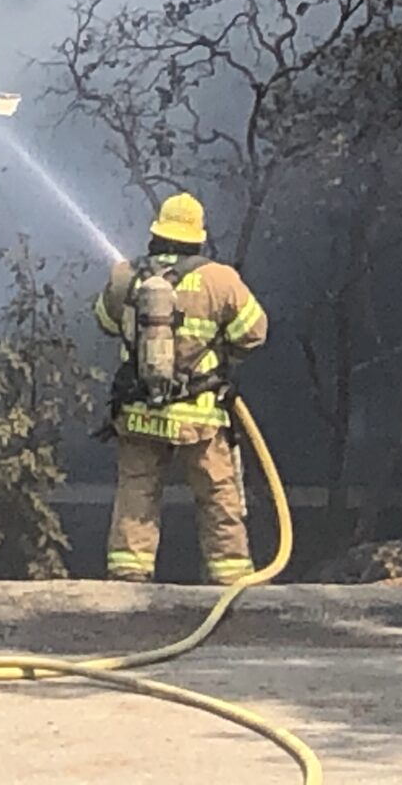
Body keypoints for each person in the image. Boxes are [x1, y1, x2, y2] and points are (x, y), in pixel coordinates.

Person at [92, 192, 268, 585]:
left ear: (157, 233)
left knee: (137, 495)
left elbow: (104, 321)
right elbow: (254, 334)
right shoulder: (220, 280)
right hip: (200, 417)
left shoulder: (126, 276)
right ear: (196, 237)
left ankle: (128, 576)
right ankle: (232, 582)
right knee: (218, 496)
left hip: (139, 413)